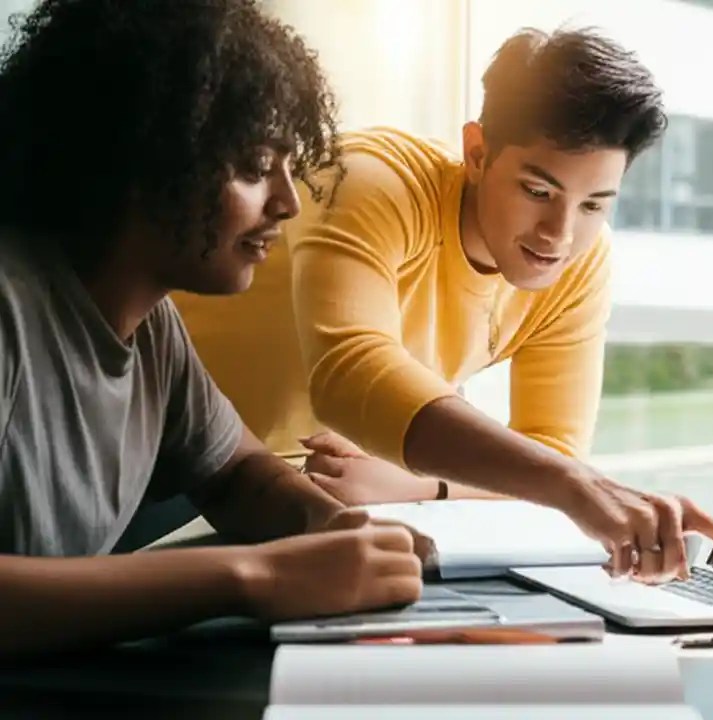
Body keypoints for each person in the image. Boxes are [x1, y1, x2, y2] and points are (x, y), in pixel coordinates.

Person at [174, 27, 713, 582]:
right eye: (539, 192)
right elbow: (350, 373)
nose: (559, 234)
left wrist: (423, 485)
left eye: (594, 206)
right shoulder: (370, 181)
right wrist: (575, 485)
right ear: (477, 153)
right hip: (173, 469)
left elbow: (552, 450)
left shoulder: (579, 264)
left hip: (294, 500)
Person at [0, 0, 433, 659]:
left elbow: (235, 472)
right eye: (258, 167)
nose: (287, 203)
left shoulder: (153, 330)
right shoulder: (9, 303)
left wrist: (328, 523)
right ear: (147, 156)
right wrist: (255, 578)